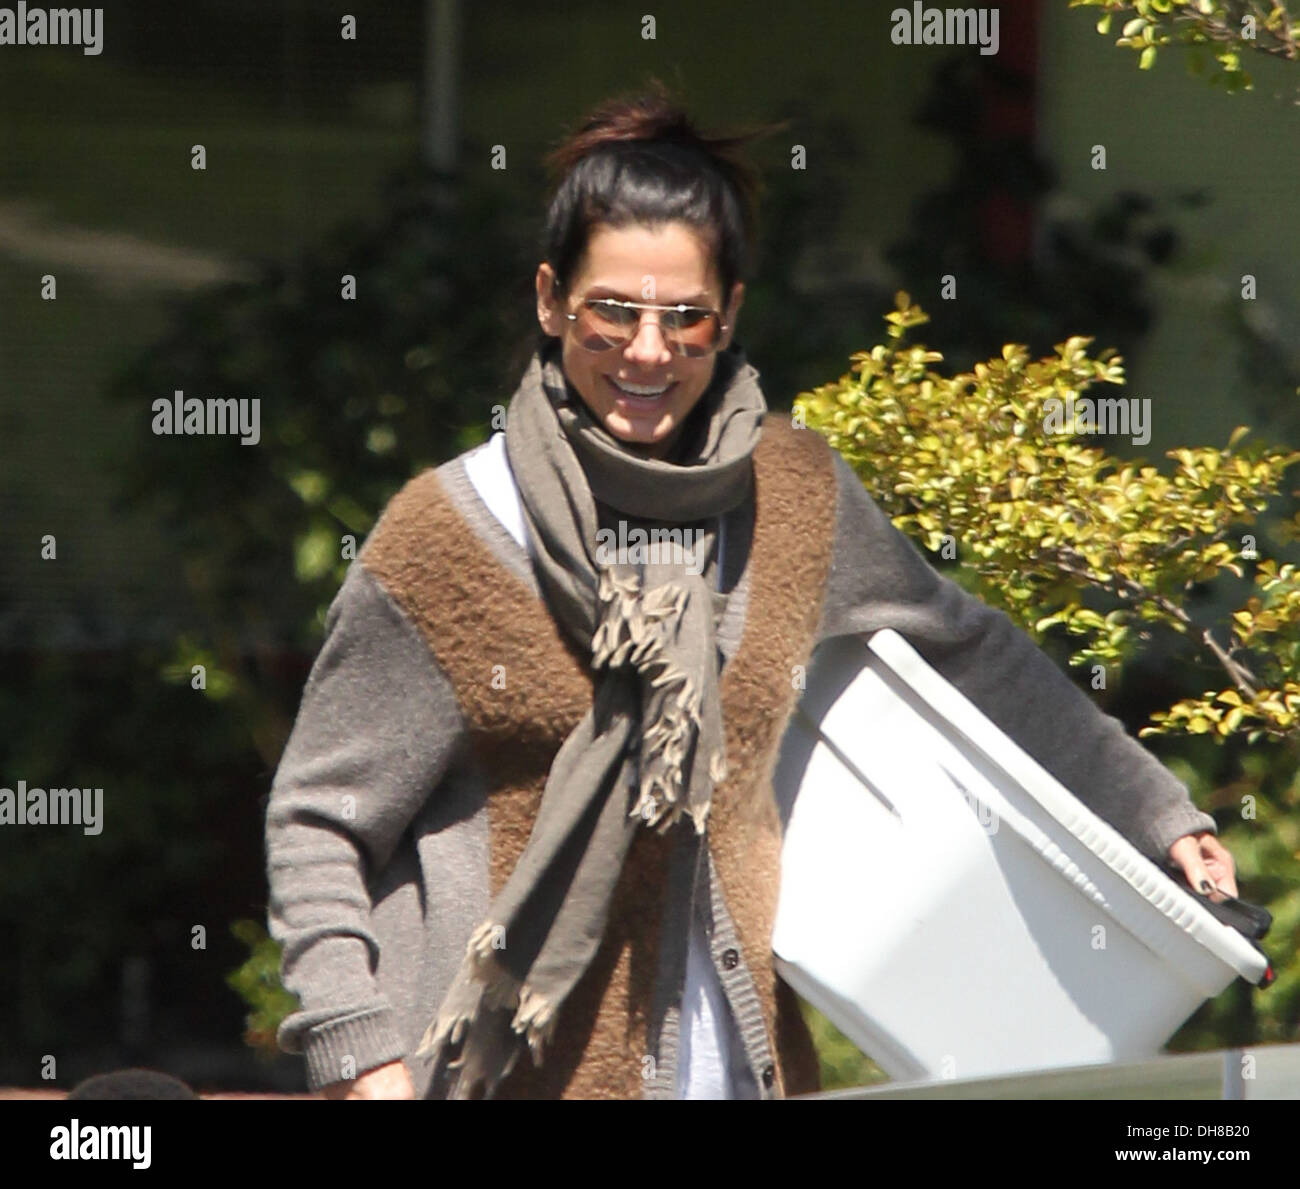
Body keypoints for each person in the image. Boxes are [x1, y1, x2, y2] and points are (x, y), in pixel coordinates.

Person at [263, 79, 1238, 1101]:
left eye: (684, 318)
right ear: (551, 300)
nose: (647, 352)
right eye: (612, 313)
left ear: (728, 316)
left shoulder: (796, 497)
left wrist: (1157, 814)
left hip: (737, 1067)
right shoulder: (449, 534)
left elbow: (972, 652)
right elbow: (322, 815)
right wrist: (357, 1046)